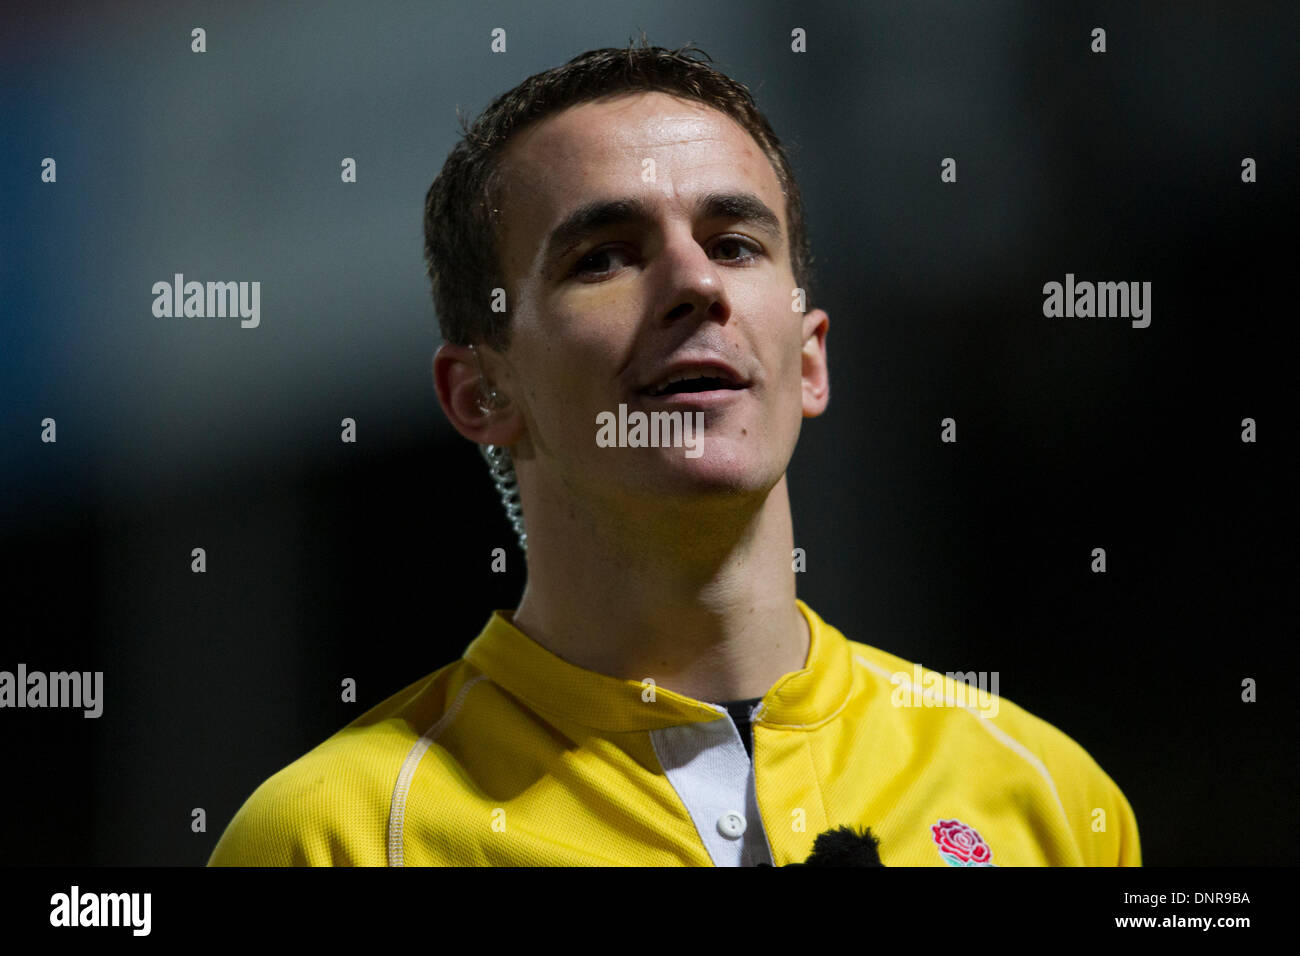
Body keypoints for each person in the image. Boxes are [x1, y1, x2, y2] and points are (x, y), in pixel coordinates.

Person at [208, 40, 1139, 867]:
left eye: (735, 243)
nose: (695, 283)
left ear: (810, 359)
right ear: (480, 392)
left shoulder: (1048, 796)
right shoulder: (340, 838)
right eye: (604, 257)